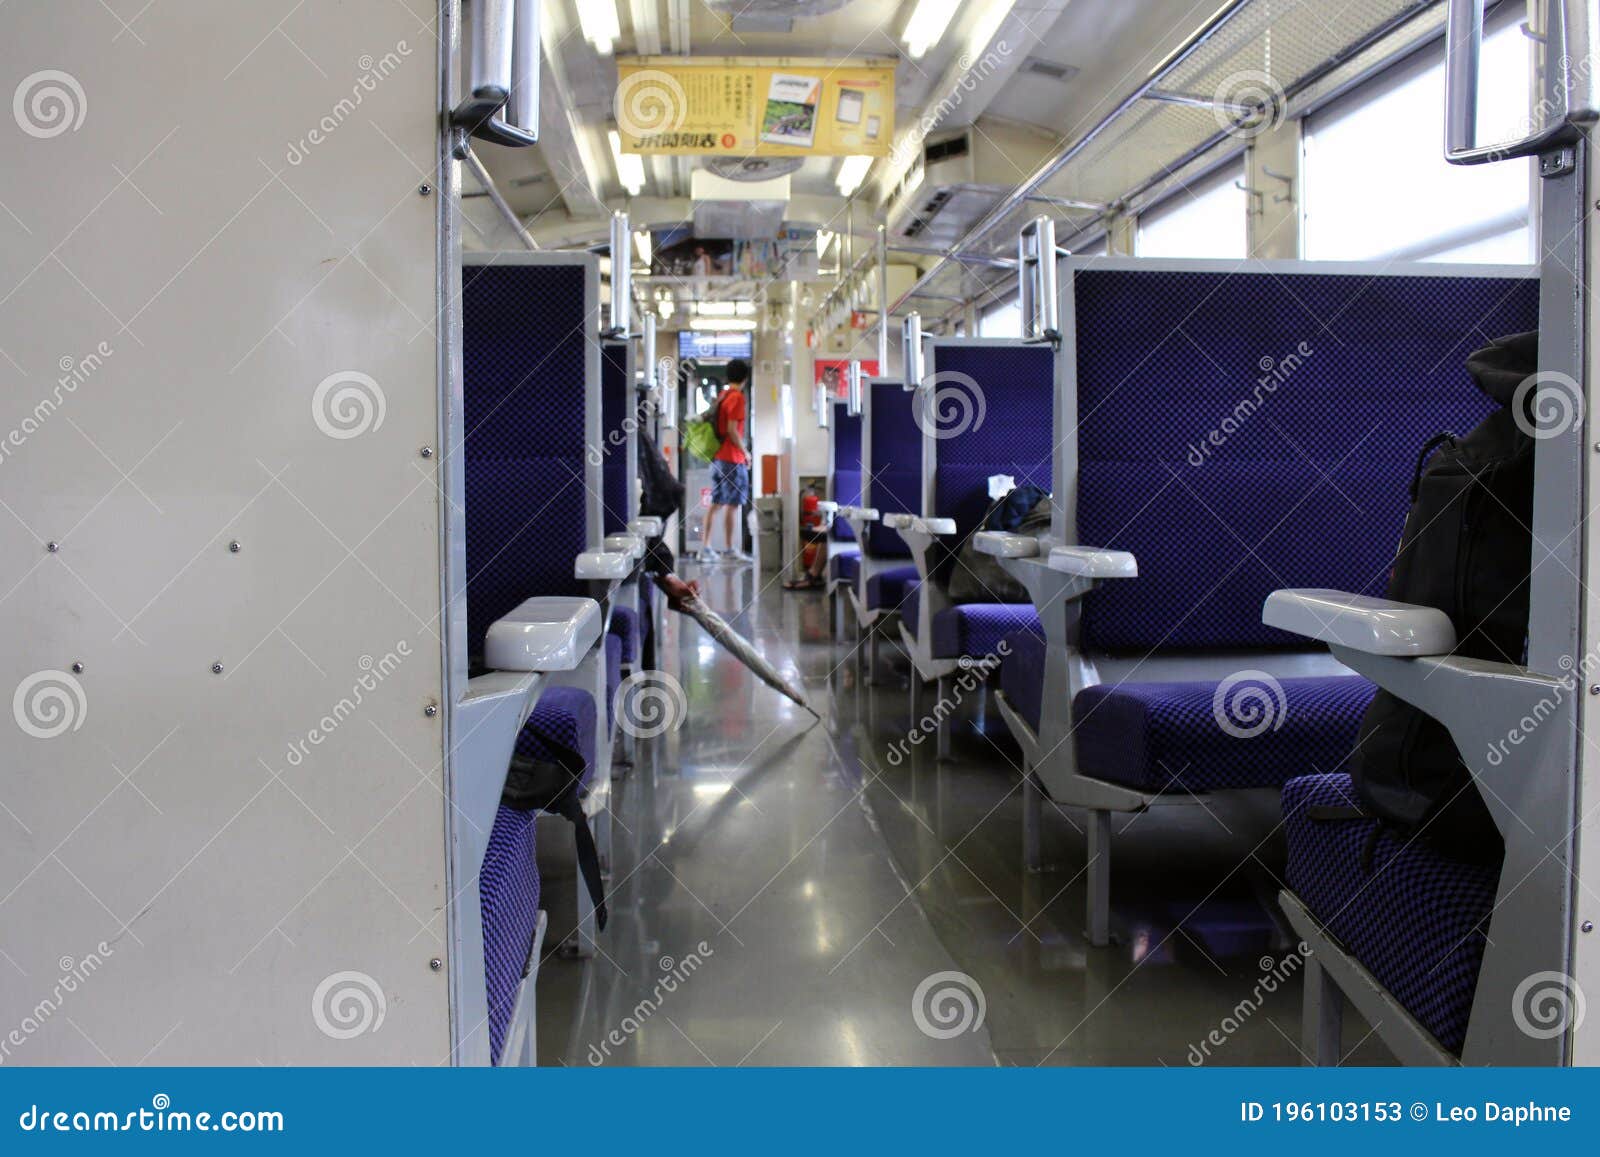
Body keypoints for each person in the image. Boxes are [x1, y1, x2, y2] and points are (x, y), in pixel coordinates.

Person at [705, 359, 752, 565]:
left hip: (718, 457)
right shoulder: (737, 398)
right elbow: (733, 430)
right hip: (732, 458)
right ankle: (730, 548)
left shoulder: (722, 396)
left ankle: (706, 548)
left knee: (716, 503)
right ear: (745, 378)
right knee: (733, 505)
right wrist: (746, 452)